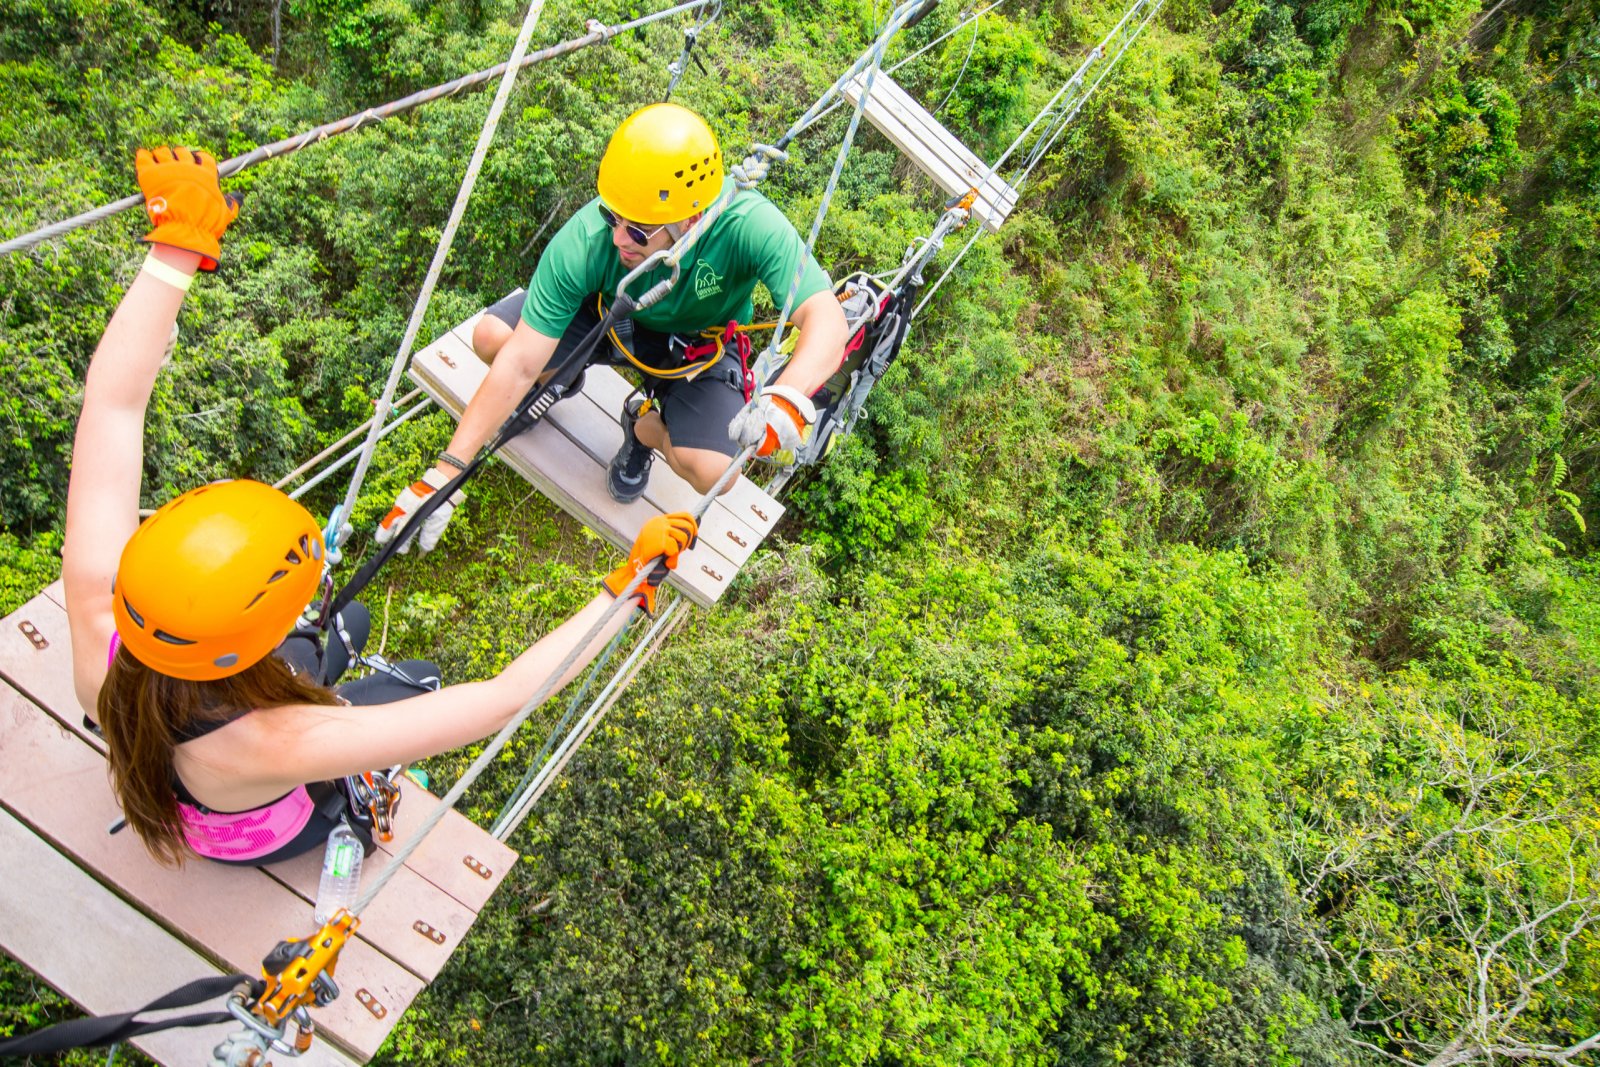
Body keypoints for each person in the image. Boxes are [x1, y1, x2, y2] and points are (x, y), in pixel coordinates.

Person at [62, 145, 698, 867]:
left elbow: (112, 406)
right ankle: (351, 810)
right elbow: (494, 700)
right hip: (260, 828)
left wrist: (174, 252)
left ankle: (315, 666)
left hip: (181, 761)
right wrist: (627, 588)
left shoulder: (98, 614)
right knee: (415, 679)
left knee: (348, 622)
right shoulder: (280, 741)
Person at [376, 102, 850, 554]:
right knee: (493, 340)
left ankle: (643, 431)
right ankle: (559, 381)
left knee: (717, 475)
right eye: (614, 216)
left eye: (639, 231)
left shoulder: (747, 223)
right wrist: (446, 472)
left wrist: (785, 396)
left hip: (695, 349)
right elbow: (519, 360)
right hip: (610, 319)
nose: (619, 238)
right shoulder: (587, 239)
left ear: (692, 219)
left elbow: (825, 317)